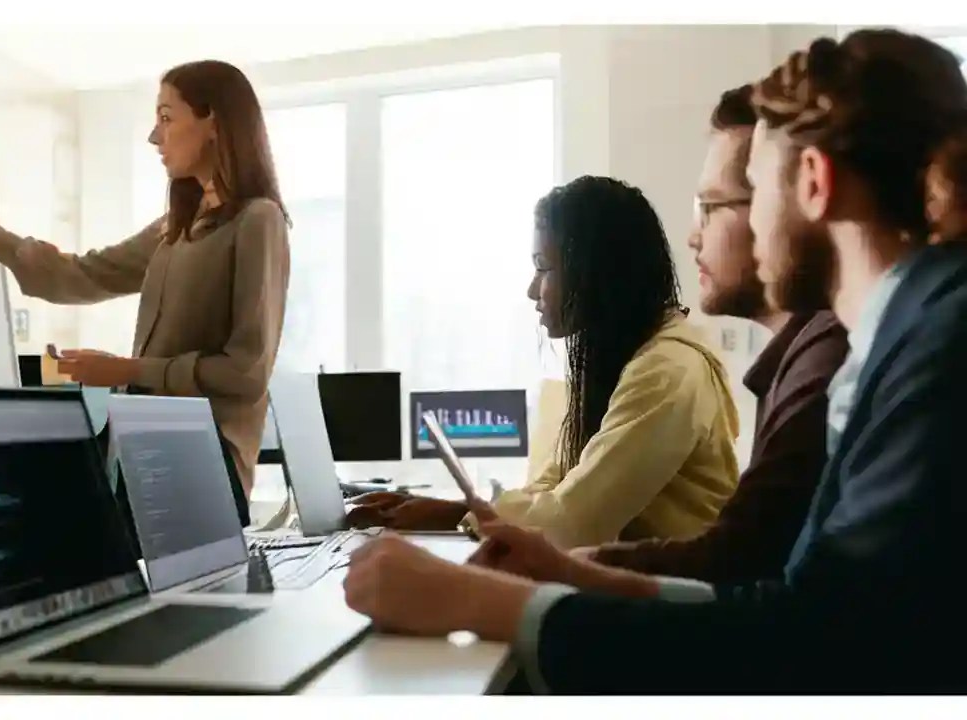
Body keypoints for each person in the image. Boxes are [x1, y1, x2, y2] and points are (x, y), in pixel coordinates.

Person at [343, 28, 967, 693]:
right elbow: (794, 606)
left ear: (814, 182)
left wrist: (466, 599)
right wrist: (571, 574)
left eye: (747, 195)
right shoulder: (900, 339)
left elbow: (814, 646)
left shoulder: (936, 350)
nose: (737, 230)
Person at [0, 60, 291, 521]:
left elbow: (246, 373)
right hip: (140, 449)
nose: (155, 137)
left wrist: (124, 369)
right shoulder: (174, 228)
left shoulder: (258, 220)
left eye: (167, 118)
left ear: (212, 121)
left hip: (204, 465)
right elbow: (76, 275)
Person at [349, 176, 741, 550]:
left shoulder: (668, 370)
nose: (532, 289)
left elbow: (571, 525)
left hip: (679, 602)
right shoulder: (622, 359)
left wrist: (462, 514)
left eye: (543, 267)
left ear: (596, 271)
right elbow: (556, 489)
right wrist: (447, 511)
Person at [579, 85, 848, 584]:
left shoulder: (826, 368)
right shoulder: (800, 360)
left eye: (710, 205)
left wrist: (546, 575)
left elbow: (743, 571)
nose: (692, 235)